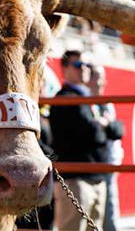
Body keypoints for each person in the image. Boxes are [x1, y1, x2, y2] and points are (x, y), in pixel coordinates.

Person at [50, 50, 123, 231]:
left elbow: (117, 130)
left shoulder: (86, 98)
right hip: (76, 179)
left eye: (86, 65)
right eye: (77, 65)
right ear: (65, 69)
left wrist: (102, 125)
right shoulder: (65, 98)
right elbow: (94, 133)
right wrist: (105, 125)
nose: (84, 69)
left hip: (95, 176)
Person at [88, 64, 123, 231]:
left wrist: (106, 125)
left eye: (101, 76)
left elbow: (117, 131)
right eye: (96, 75)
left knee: (109, 211)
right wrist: (105, 125)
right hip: (91, 166)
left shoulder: (106, 104)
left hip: (108, 163)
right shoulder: (85, 101)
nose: (100, 81)